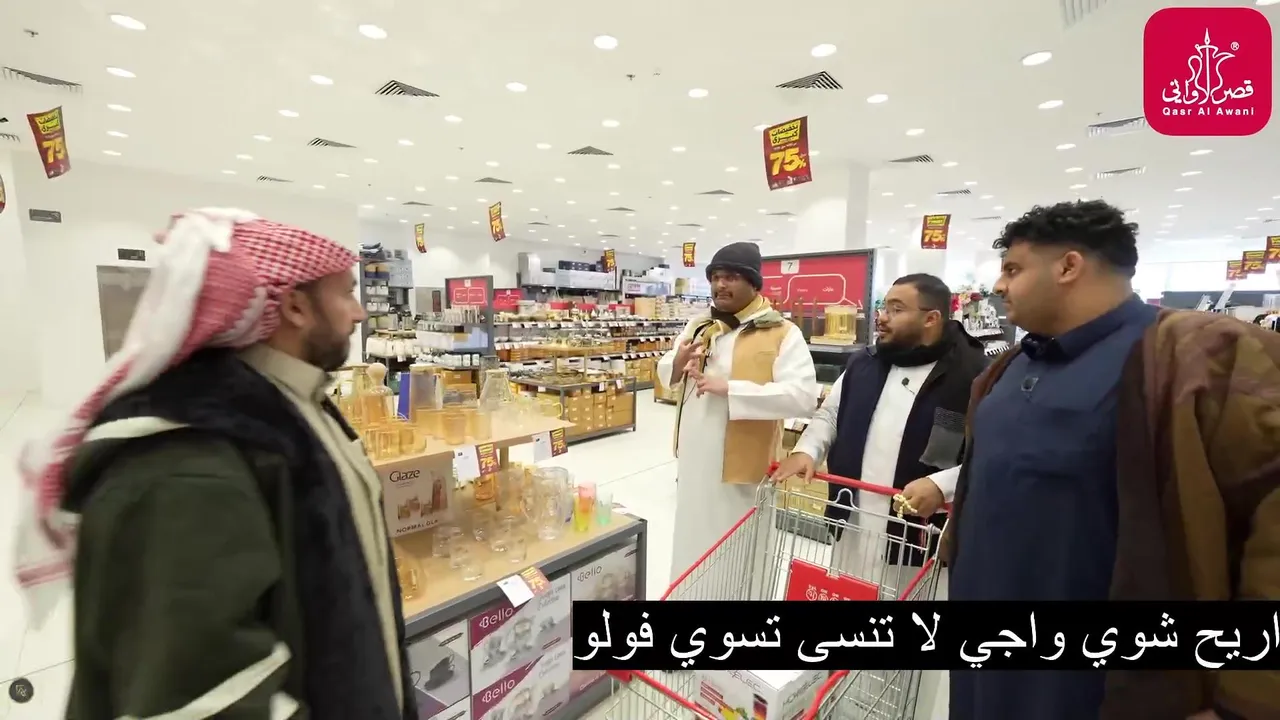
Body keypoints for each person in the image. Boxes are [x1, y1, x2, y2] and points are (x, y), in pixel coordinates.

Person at [13, 209, 417, 720]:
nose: (359, 314)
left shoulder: (291, 404)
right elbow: (201, 695)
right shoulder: (185, 458)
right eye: (346, 294)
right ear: (295, 307)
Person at [942, 200, 1280, 720]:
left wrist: (1249, 700)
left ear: (1068, 266)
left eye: (1013, 269)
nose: (999, 286)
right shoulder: (1003, 371)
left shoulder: (1205, 360)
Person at [659, 241, 817, 583]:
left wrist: (731, 389)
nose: (720, 285)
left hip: (743, 472)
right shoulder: (699, 325)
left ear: (754, 283)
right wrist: (676, 363)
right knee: (691, 543)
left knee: (735, 554)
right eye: (715, 277)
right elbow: (668, 368)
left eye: (731, 277)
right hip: (694, 462)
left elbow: (803, 397)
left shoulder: (781, 332)